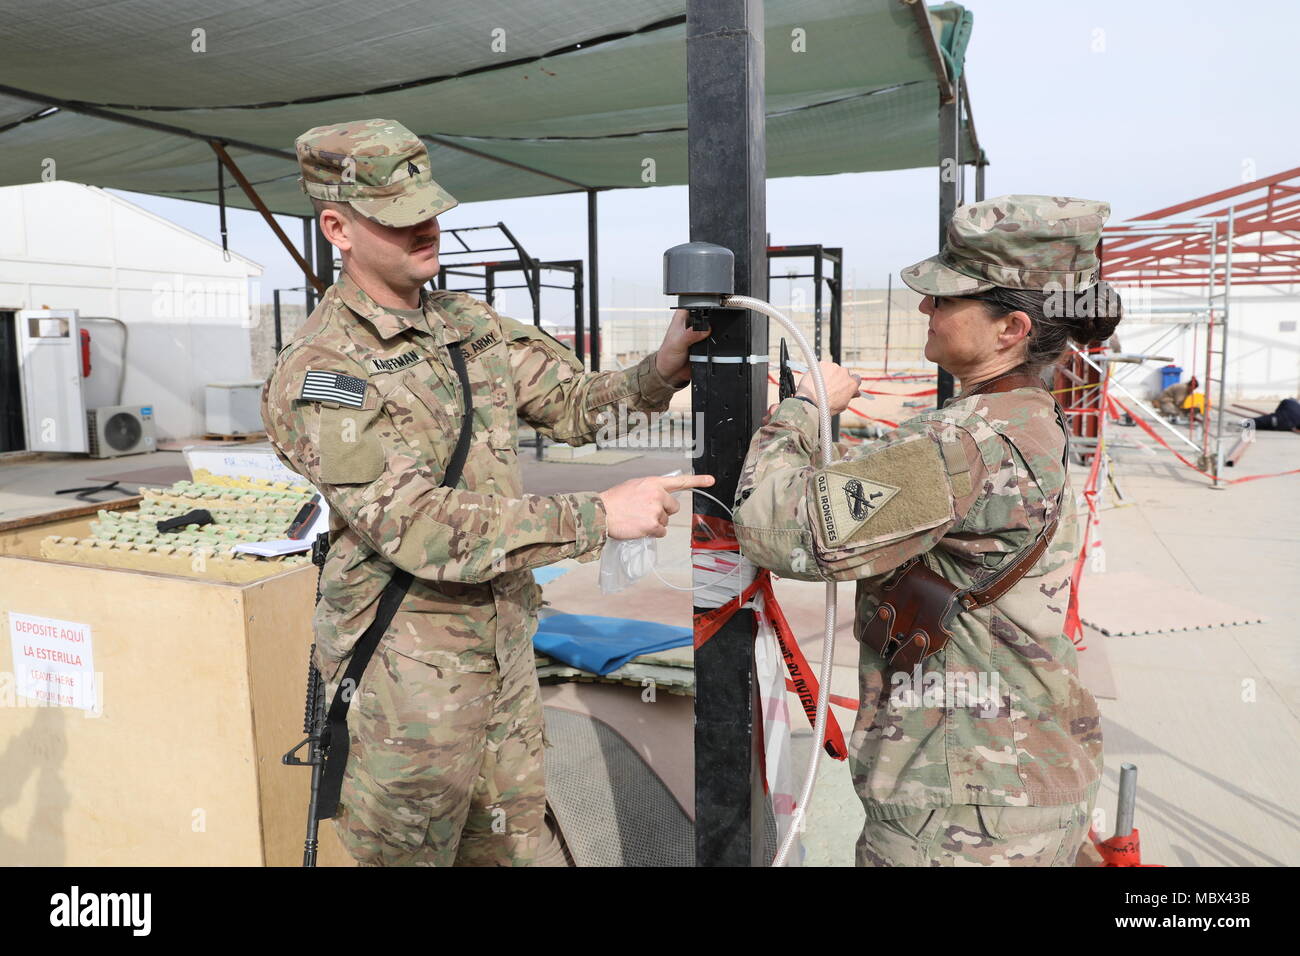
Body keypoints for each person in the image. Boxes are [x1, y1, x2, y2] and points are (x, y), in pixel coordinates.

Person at [261, 118, 713, 866]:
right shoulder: (322, 371)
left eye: (430, 208)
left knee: (509, 852)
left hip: (503, 657)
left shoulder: (466, 325)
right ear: (338, 228)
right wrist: (596, 515)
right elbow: (413, 524)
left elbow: (571, 402)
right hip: (410, 682)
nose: (426, 229)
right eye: (400, 217)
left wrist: (659, 369)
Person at [733, 195, 1121, 866]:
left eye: (945, 300)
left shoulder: (965, 441)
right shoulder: (1028, 416)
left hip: (962, 812)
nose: (926, 310)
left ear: (1011, 329)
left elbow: (772, 522)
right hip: (1026, 781)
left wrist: (802, 412)